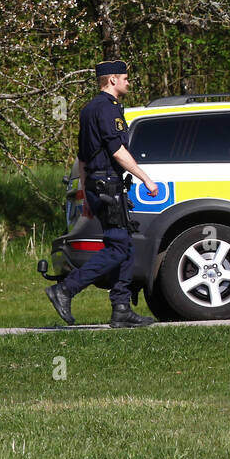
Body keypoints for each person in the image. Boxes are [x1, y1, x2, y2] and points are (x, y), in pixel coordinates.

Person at [46, 60, 160, 328]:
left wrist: (85, 194)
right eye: (125, 78)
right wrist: (146, 179)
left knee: (125, 246)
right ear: (112, 81)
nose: (128, 82)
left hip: (98, 185)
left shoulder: (88, 110)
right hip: (108, 185)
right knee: (119, 247)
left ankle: (121, 308)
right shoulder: (108, 110)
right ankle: (65, 290)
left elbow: (83, 156)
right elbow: (117, 151)